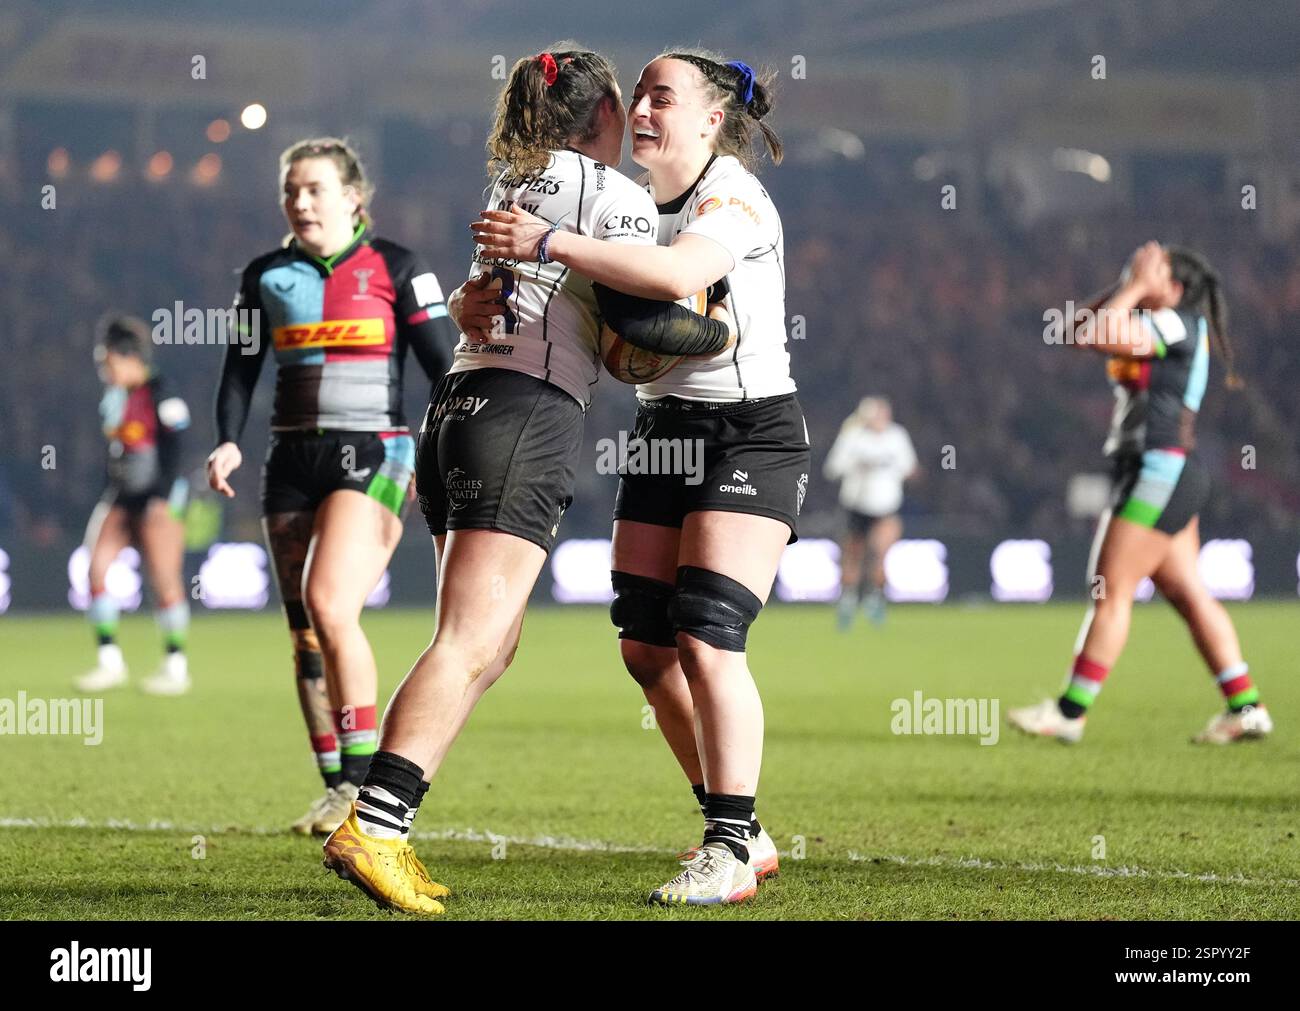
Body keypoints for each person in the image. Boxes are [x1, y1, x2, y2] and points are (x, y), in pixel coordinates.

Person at [322, 45, 731, 915]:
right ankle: (378, 823)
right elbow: (634, 316)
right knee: (473, 638)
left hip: (459, 405)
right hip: (523, 414)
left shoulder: (514, 189)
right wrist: (715, 329)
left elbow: (474, 304)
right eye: (627, 108)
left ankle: (388, 819)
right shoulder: (609, 195)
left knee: (488, 642)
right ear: (603, 118)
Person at [473, 48, 808, 905]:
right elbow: (557, 299)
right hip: (664, 431)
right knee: (645, 648)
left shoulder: (730, 193)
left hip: (749, 433)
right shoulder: (626, 207)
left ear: (709, 119)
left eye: (664, 96)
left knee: (706, 632)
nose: (646, 111)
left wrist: (549, 238)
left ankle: (728, 846)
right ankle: (744, 827)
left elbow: (679, 275)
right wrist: (468, 303)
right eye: (641, 98)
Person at [207, 137, 455, 835]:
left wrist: (453, 447)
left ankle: (366, 783)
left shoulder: (398, 267)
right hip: (289, 460)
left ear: (354, 197)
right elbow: (240, 369)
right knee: (304, 634)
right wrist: (228, 438)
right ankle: (337, 785)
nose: (301, 202)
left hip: (374, 452)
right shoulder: (264, 276)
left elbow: (443, 369)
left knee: (328, 601)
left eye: (314, 188)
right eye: (291, 191)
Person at [1008, 241, 1272, 745]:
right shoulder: (1162, 321)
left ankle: (1069, 713)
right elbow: (1073, 331)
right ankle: (1247, 707)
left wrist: (1134, 287)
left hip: (1159, 470)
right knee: (1188, 592)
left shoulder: (1176, 321)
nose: (1144, 273)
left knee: (1108, 590)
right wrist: (1124, 283)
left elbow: (1100, 331)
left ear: (1175, 288)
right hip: (1167, 469)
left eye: (1157, 271)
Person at [76, 314, 193, 696]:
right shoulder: (115, 397)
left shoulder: (164, 391)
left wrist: (161, 497)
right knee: (95, 567)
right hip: (122, 496)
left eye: (107, 361)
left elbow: (178, 447)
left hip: (156, 498)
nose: (102, 370)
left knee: (163, 580)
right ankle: (110, 662)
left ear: (128, 358)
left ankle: (176, 665)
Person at [823, 396, 916, 628]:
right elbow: (832, 469)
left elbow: (910, 468)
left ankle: (875, 600)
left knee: (879, 553)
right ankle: (848, 601)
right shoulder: (852, 437)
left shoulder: (897, 437)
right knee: (853, 555)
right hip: (855, 506)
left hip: (886, 507)